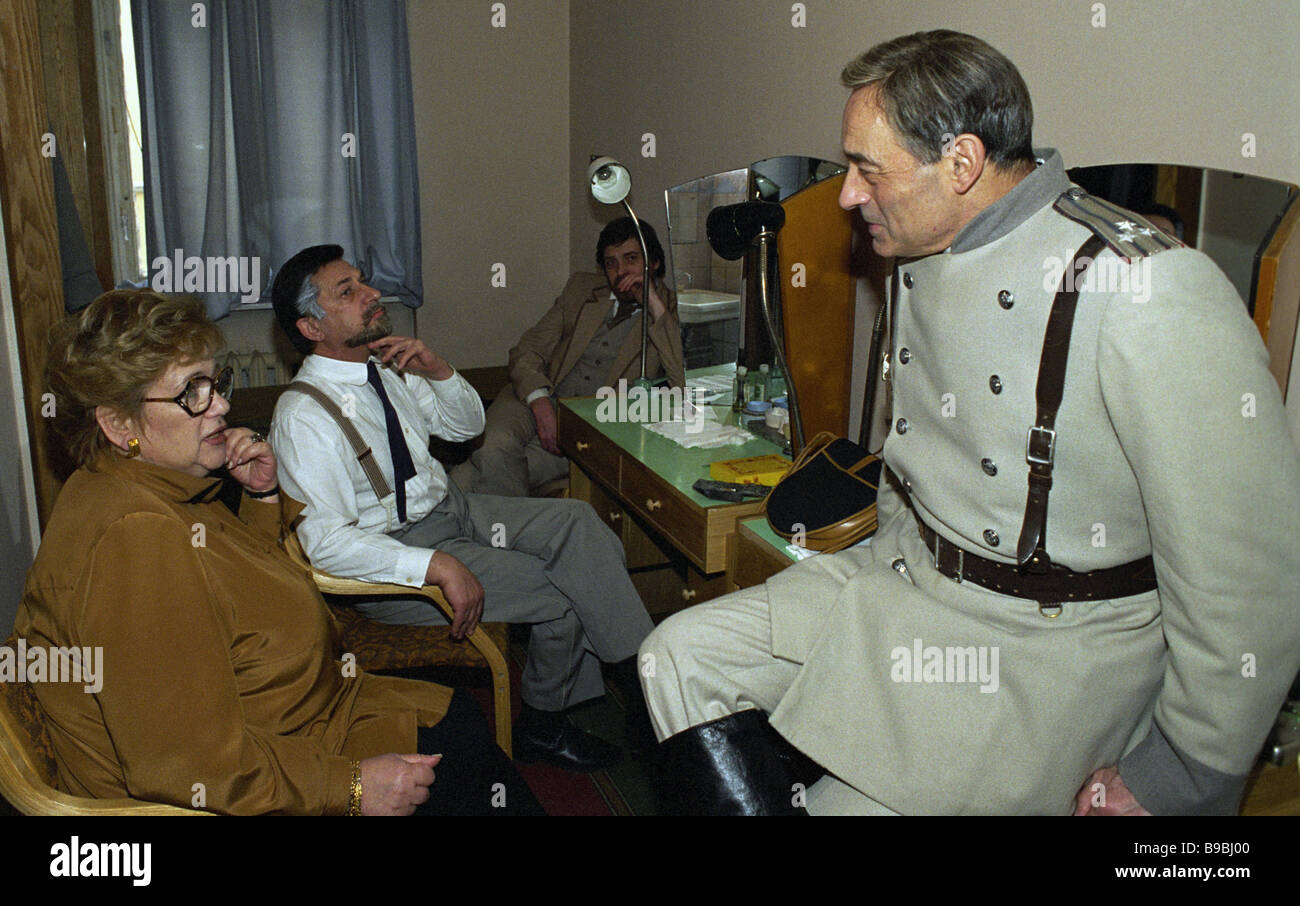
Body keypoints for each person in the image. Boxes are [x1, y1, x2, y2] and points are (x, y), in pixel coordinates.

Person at [638, 29, 1300, 815]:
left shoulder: (1143, 290)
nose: (847, 194)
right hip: (905, 582)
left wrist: (1178, 778)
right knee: (670, 658)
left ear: (961, 164)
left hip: (1040, 655)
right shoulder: (925, 245)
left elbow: (1251, 581)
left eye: (866, 169)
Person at [15, 289, 542, 815]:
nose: (220, 403)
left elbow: (229, 593)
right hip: (280, 768)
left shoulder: (138, 485)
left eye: (214, 382)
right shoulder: (132, 539)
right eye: (191, 393)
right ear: (118, 424)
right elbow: (190, 767)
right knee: (469, 756)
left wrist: (263, 500)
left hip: (299, 721)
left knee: (461, 728)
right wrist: (353, 788)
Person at [269, 245, 655, 773]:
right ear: (311, 327)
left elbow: (464, 428)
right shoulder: (301, 416)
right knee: (569, 587)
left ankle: (638, 680)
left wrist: (440, 369)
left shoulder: (385, 366)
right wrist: (436, 565)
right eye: (348, 291)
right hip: (396, 560)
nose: (372, 294)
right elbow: (325, 544)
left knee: (580, 525)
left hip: (456, 510)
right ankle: (553, 721)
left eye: (363, 281)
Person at [451, 217, 686, 497]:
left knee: (487, 472)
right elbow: (527, 350)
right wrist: (539, 402)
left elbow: (681, 381)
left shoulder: (673, 311)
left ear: (654, 262)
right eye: (611, 263)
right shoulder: (581, 290)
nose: (621, 271)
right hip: (532, 399)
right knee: (494, 447)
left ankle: (441, 518)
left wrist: (652, 302)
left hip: (588, 427)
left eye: (631, 259)